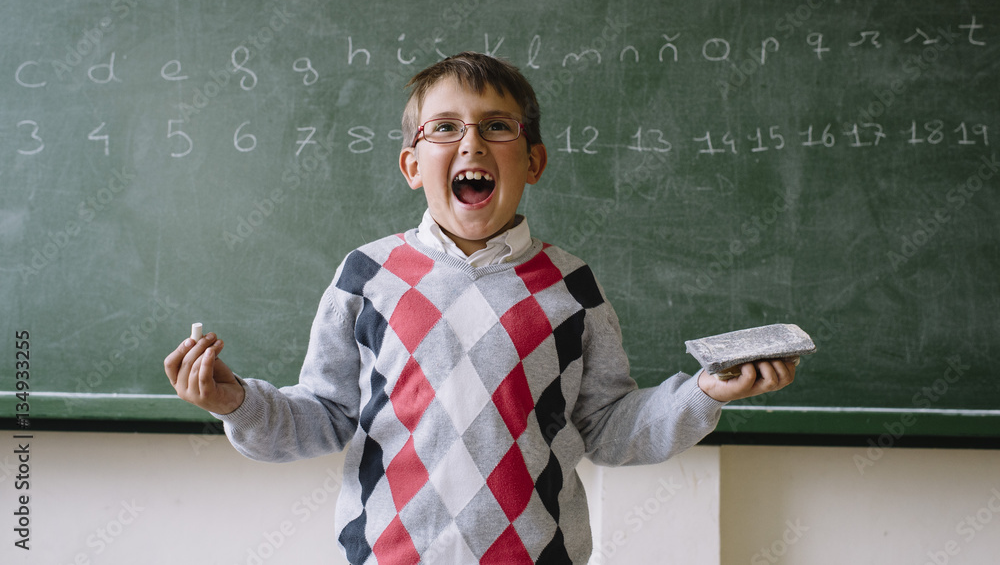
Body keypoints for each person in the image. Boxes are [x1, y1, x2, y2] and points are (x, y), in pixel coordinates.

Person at [164, 51, 796, 564]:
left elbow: (606, 427)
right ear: (413, 164)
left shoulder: (570, 285)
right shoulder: (369, 276)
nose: (471, 143)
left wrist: (704, 392)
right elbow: (327, 415)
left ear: (534, 160)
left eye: (497, 126)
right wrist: (237, 402)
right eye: (445, 128)